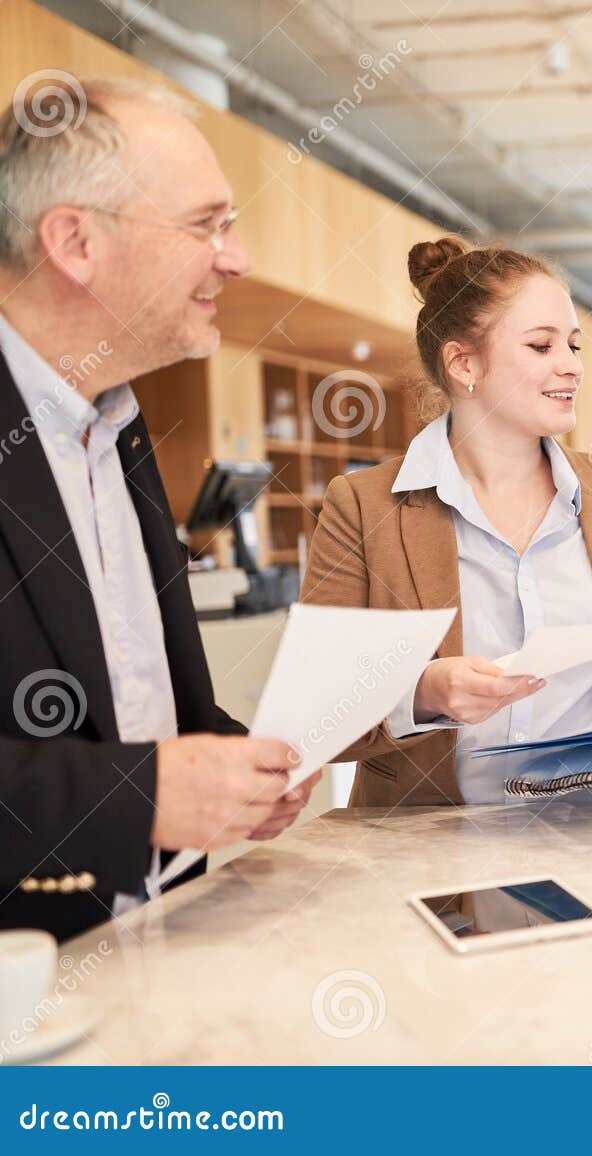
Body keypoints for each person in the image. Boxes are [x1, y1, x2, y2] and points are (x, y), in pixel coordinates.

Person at [0, 76, 316, 940]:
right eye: (207, 224)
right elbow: (128, 774)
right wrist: (139, 799)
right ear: (74, 241)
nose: (237, 256)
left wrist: (234, 763)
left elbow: (126, 696)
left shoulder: (119, 424)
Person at [300, 238, 592, 805]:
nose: (571, 365)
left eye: (573, 344)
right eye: (541, 346)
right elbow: (319, 706)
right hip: (437, 864)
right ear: (463, 362)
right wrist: (424, 692)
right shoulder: (363, 506)